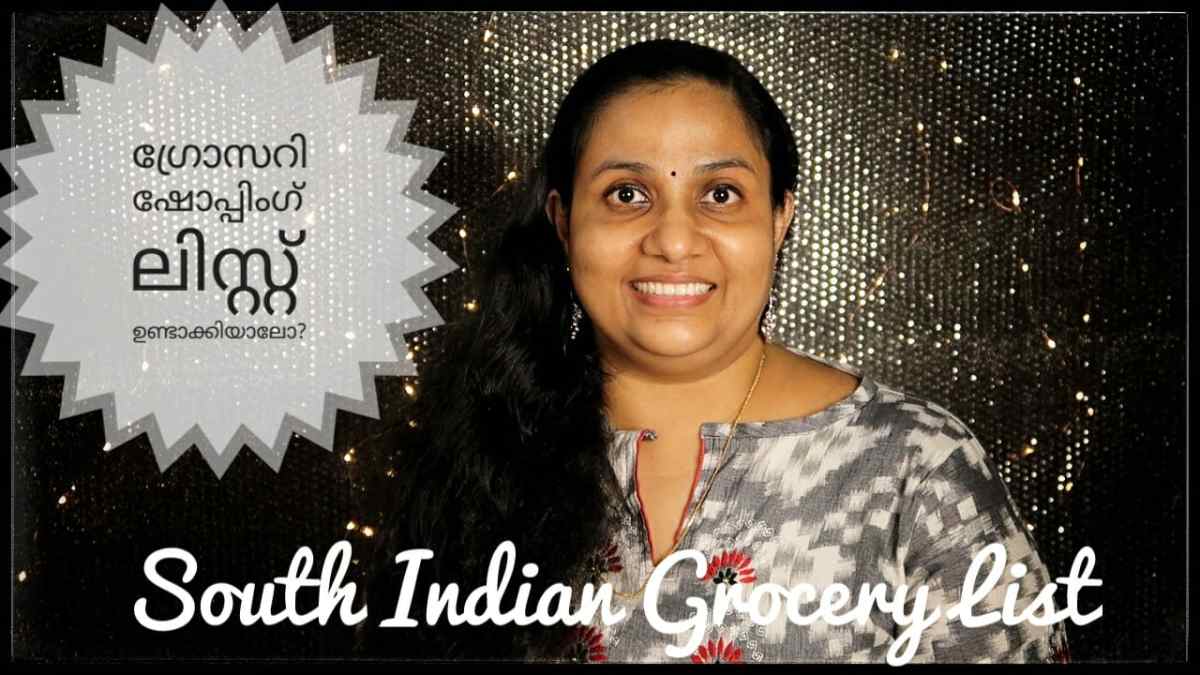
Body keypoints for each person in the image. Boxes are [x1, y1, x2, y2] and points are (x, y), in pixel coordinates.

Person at [359, 38, 1070, 664]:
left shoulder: (915, 464)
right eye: (627, 193)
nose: (674, 240)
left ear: (780, 217)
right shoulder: (484, 455)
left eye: (721, 194)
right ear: (564, 222)